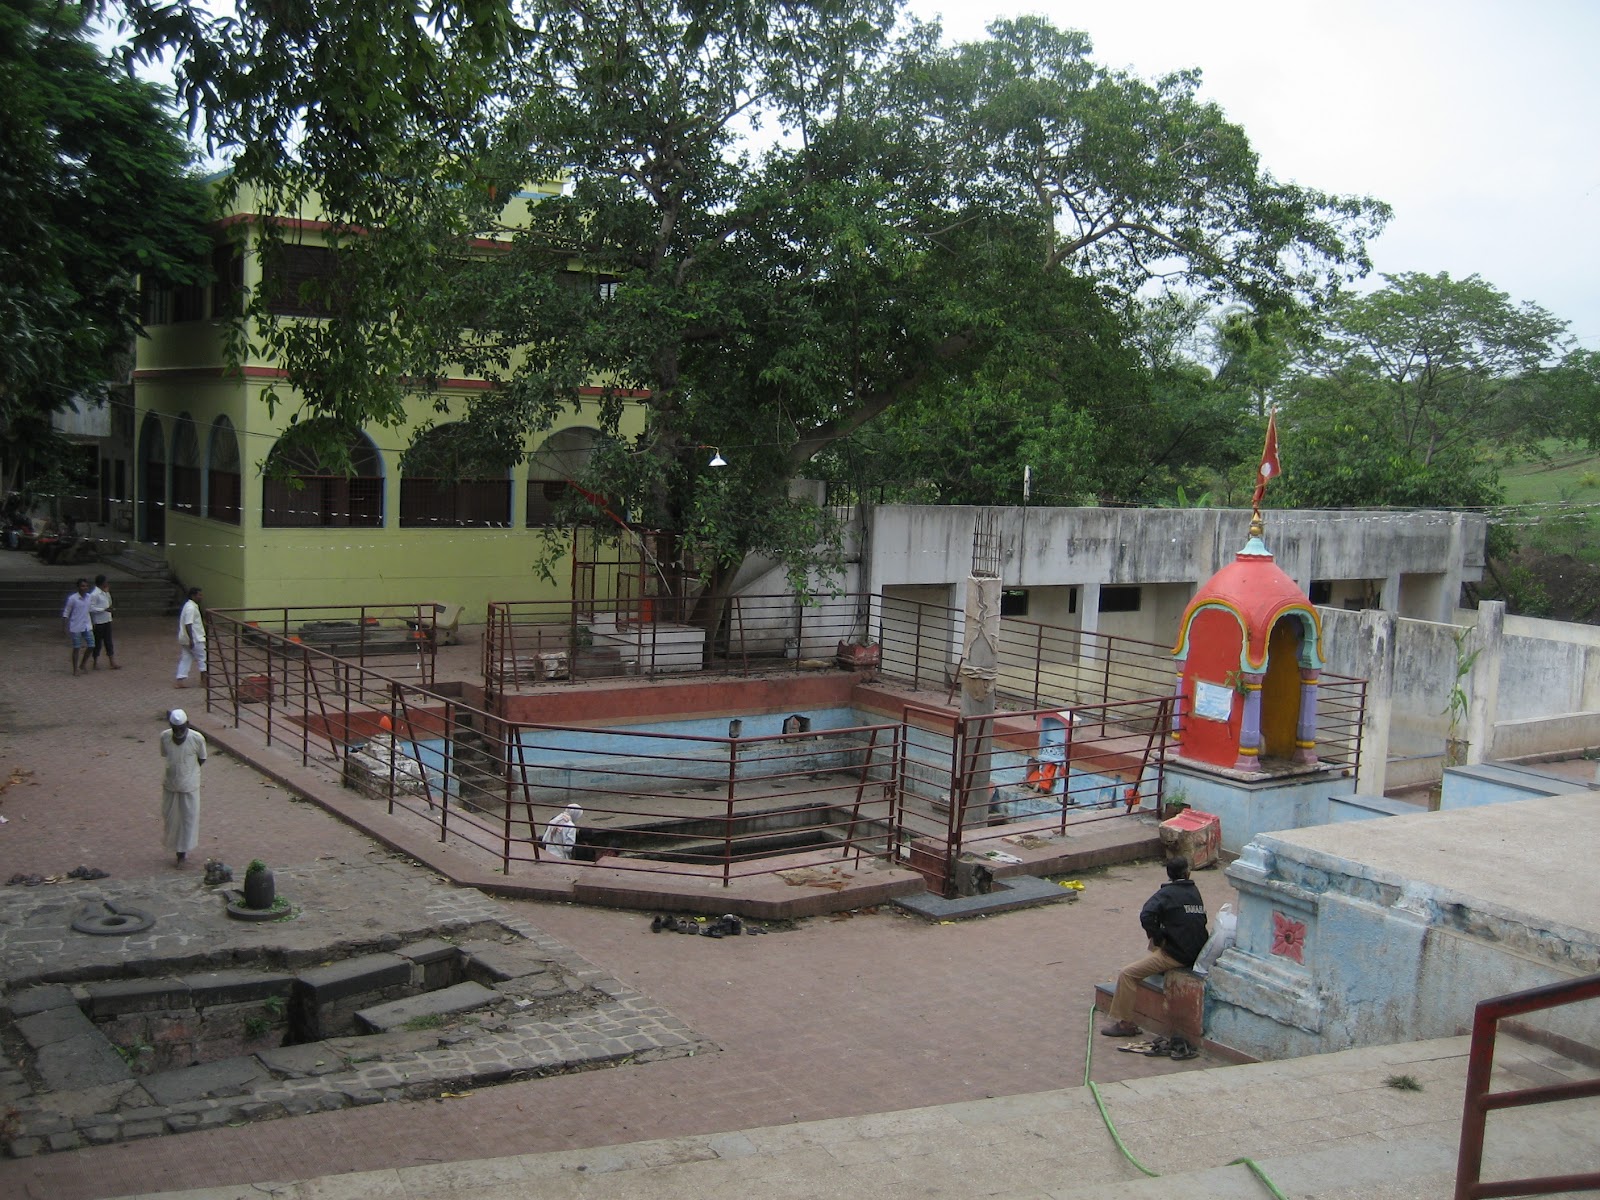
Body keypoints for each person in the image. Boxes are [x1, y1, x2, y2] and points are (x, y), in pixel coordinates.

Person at [1100, 856, 1210, 1038]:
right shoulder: (1194, 892)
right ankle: (1158, 961)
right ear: (1187, 873)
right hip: (1197, 950)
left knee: (1127, 974)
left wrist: (1158, 936)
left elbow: (1146, 915)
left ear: (1169, 875)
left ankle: (1125, 1024)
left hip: (1177, 954)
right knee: (1159, 945)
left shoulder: (1166, 894)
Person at [159, 708, 207, 865]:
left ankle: (182, 852)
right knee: (172, 819)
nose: (178, 732)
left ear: (187, 724)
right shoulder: (165, 737)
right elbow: (166, 755)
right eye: (175, 729)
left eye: (181, 729)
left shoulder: (197, 739)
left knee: (188, 819)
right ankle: (176, 849)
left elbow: (202, 758)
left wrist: (189, 774)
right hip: (171, 785)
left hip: (189, 786)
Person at [61, 577, 94, 676]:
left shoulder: (89, 597)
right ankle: (75, 669)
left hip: (87, 625)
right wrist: (64, 627)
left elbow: (92, 609)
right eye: (82, 586)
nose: (85, 588)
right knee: (76, 648)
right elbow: (66, 612)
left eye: (86, 586)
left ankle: (83, 664)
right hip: (76, 626)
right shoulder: (73, 598)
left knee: (91, 645)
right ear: (78, 587)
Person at [175, 586, 207, 689]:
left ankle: (180, 680)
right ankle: (204, 681)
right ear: (193, 596)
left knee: (186, 658)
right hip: (195, 638)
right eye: (199, 595)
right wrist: (192, 639)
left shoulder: (188, 606)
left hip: (186, 638)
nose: (201, 597)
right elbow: (188, 624)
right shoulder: (191, 608)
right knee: (203, 658)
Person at [88, 574, 118, 670]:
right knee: (98, 642)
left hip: (107, 619)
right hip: (99, 621)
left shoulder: (105, 592)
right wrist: (103, 609)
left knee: (108, 641)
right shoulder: (94, 594)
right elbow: (91, 608)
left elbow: (109, 603)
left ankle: (112, 661)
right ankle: (95, 662)